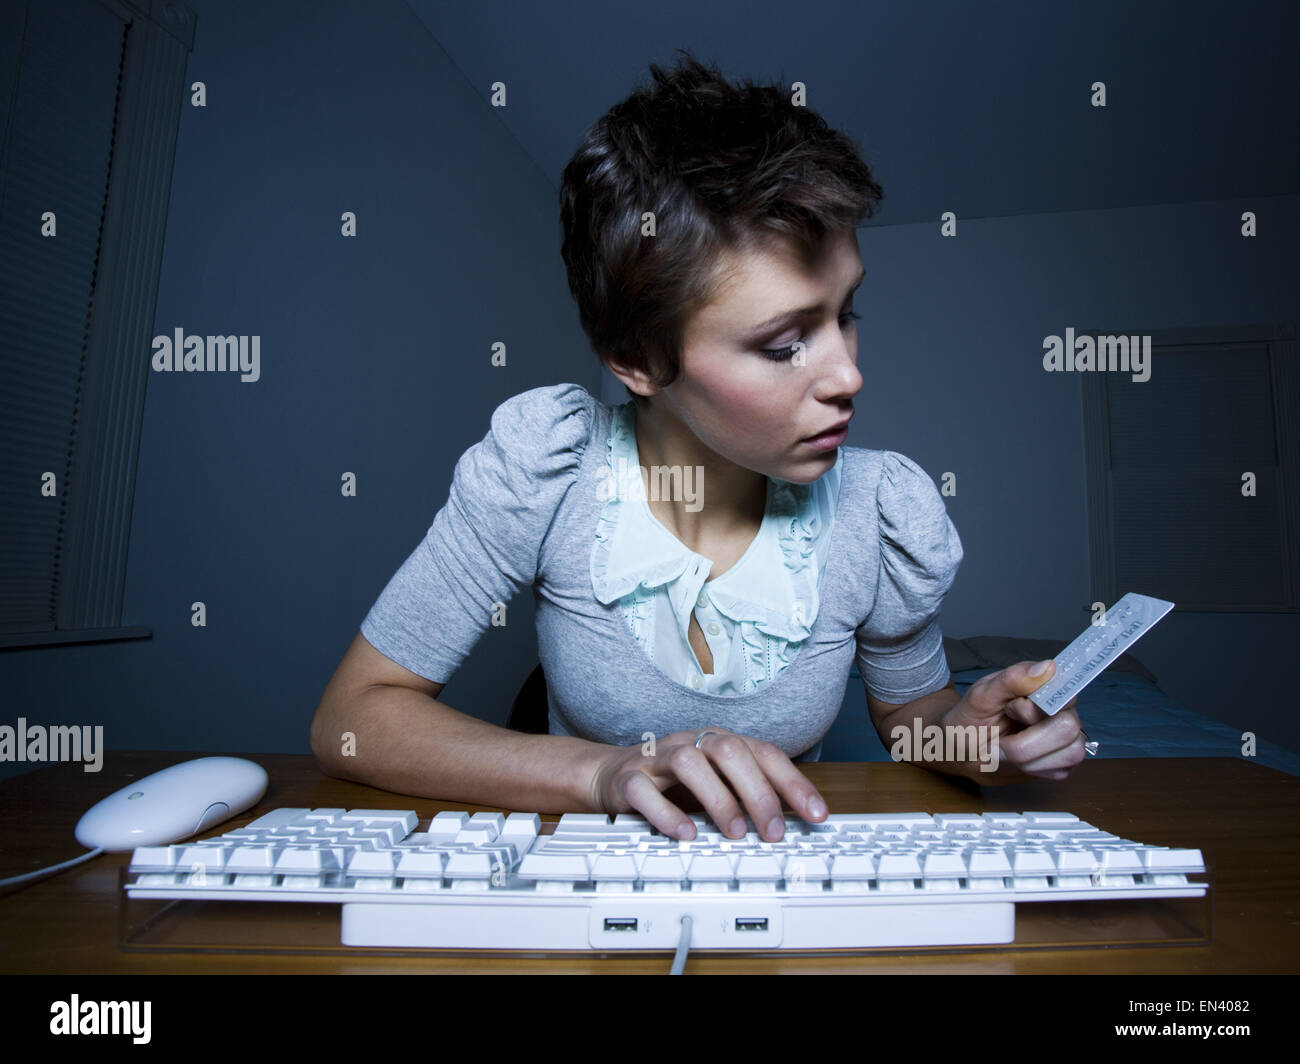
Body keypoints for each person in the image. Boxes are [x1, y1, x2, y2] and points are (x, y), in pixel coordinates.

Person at [310, 51, 1085, 842]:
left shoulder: (877, 510)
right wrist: (601, 773)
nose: (849, 374)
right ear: (640, 359)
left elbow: (907, 719)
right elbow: (355, 715)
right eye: (785, 343)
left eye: (847, 312)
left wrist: (969, 740)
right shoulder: (547, 471)